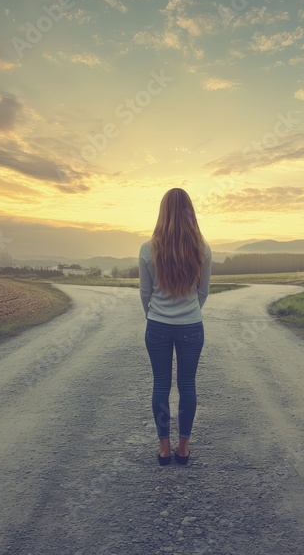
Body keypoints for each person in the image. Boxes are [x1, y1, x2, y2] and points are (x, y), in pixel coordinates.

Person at [139, 188, 212, 466]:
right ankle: (183, 449)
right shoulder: (202, 248)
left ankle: (164, 450)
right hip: (191, 325)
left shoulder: (147, 248)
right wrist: (189, 313)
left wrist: (155, 316)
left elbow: (145, 293)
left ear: (163, 212)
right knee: (187, 385)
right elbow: (203, 292)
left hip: (157, 324)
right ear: (190, 212)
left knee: (160, 384)